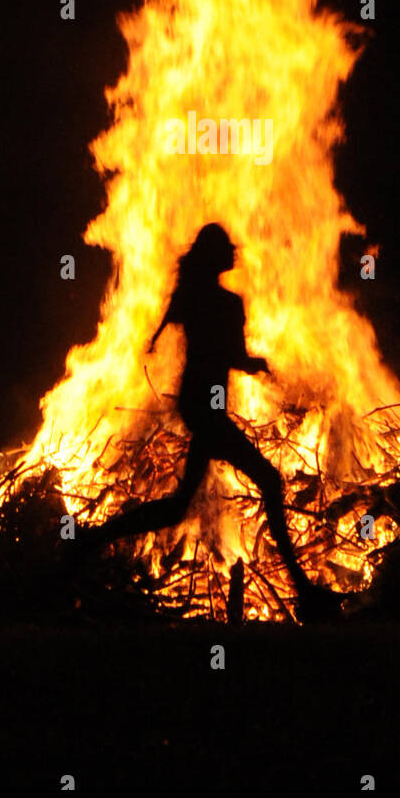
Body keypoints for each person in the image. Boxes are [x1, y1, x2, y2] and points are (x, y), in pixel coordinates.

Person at [74, 223, 341, 623]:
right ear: (215, 256)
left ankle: (88, 540)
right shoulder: (226, 303)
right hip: (207, 412)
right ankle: (304, 591)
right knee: (268, 481)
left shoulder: (192, 296)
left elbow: (177, 331)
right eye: (227, 248)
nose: (234, 253)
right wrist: (261, 365)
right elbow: (231, 356)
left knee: (178, 507)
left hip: (195, 406)